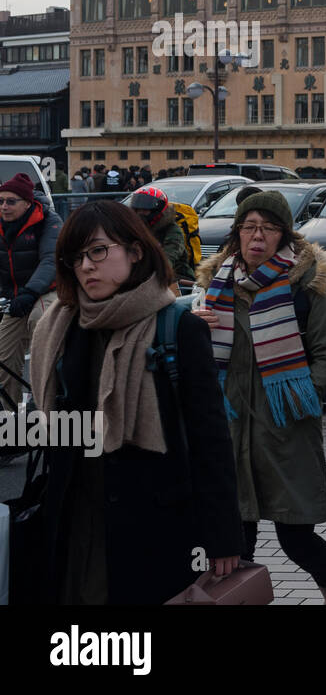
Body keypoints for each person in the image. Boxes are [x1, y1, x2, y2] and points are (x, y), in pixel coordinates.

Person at [27, 201, 243, 604]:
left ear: (135, 251)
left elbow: (210, 439)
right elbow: (50, 423)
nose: (86, 266)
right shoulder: (62, 327)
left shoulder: (179, 329)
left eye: (97, 251)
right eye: (75, 257)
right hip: (76, 516)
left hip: (154, 521)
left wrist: (223, 536)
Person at [193, 190, 326, 604]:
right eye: (249, 227)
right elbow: (201, 360)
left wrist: (304, 396)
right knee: (235, 539)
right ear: (237, 234)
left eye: (268, 228)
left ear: (284, 235)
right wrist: (196, 330)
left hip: (286, 427)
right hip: (230, 425)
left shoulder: (303, 289)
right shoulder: (216, 287)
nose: (257, 236)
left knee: (295, 535)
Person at [0, 173, 62, 404]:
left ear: (27, 203)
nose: (4, 206)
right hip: (17, 296)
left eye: (10, 201)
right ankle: (8, 415)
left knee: (40, 320)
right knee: (4, 353)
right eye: (0, 201)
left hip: (48, 290)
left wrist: (30, 292)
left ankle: (45, 402)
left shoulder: (48, 221)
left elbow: (51, 260)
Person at [127, 185, 194, 287]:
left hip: (177, 277)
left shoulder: (173, 230)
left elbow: (169, 257)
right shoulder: (134, 229)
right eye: (137, 209)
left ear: (157, 210)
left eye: (145, 210)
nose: (140, 213)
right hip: (143, 276)